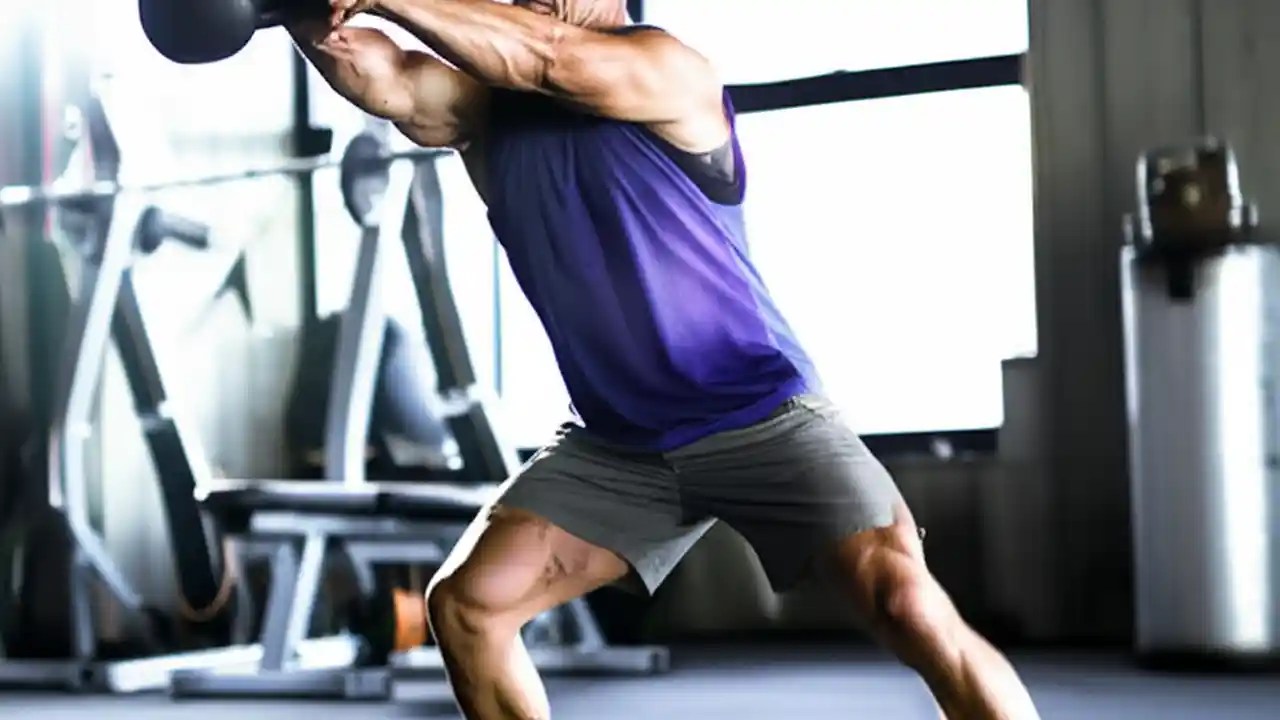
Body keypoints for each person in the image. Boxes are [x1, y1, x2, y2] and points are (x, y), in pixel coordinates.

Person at [289, 1, 1042, 718]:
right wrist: (290, 10)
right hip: (622, 443)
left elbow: (552, 61)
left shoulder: (666, 68)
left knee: (905, 602)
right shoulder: (484, 110)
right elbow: (376, 74)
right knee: (467, 605)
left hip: (760, 411)